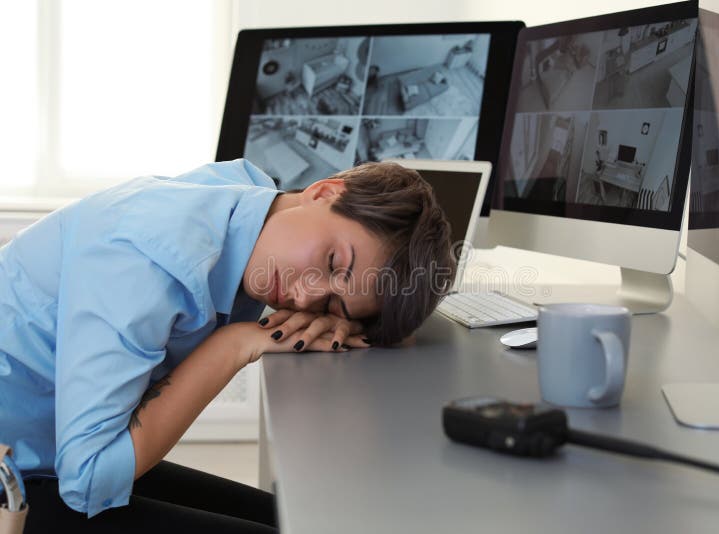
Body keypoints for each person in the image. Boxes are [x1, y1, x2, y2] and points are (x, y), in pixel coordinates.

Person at [0, 159, 454, 533]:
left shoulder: (247, 191)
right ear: (323, 192)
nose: (303, 296)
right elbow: (90, 478)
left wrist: (345, 315)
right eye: (333, 261)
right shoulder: (147, 260)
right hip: (27, 478)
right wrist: (233, 345)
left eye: (333, 300)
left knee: (306, 522)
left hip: (54, 452)